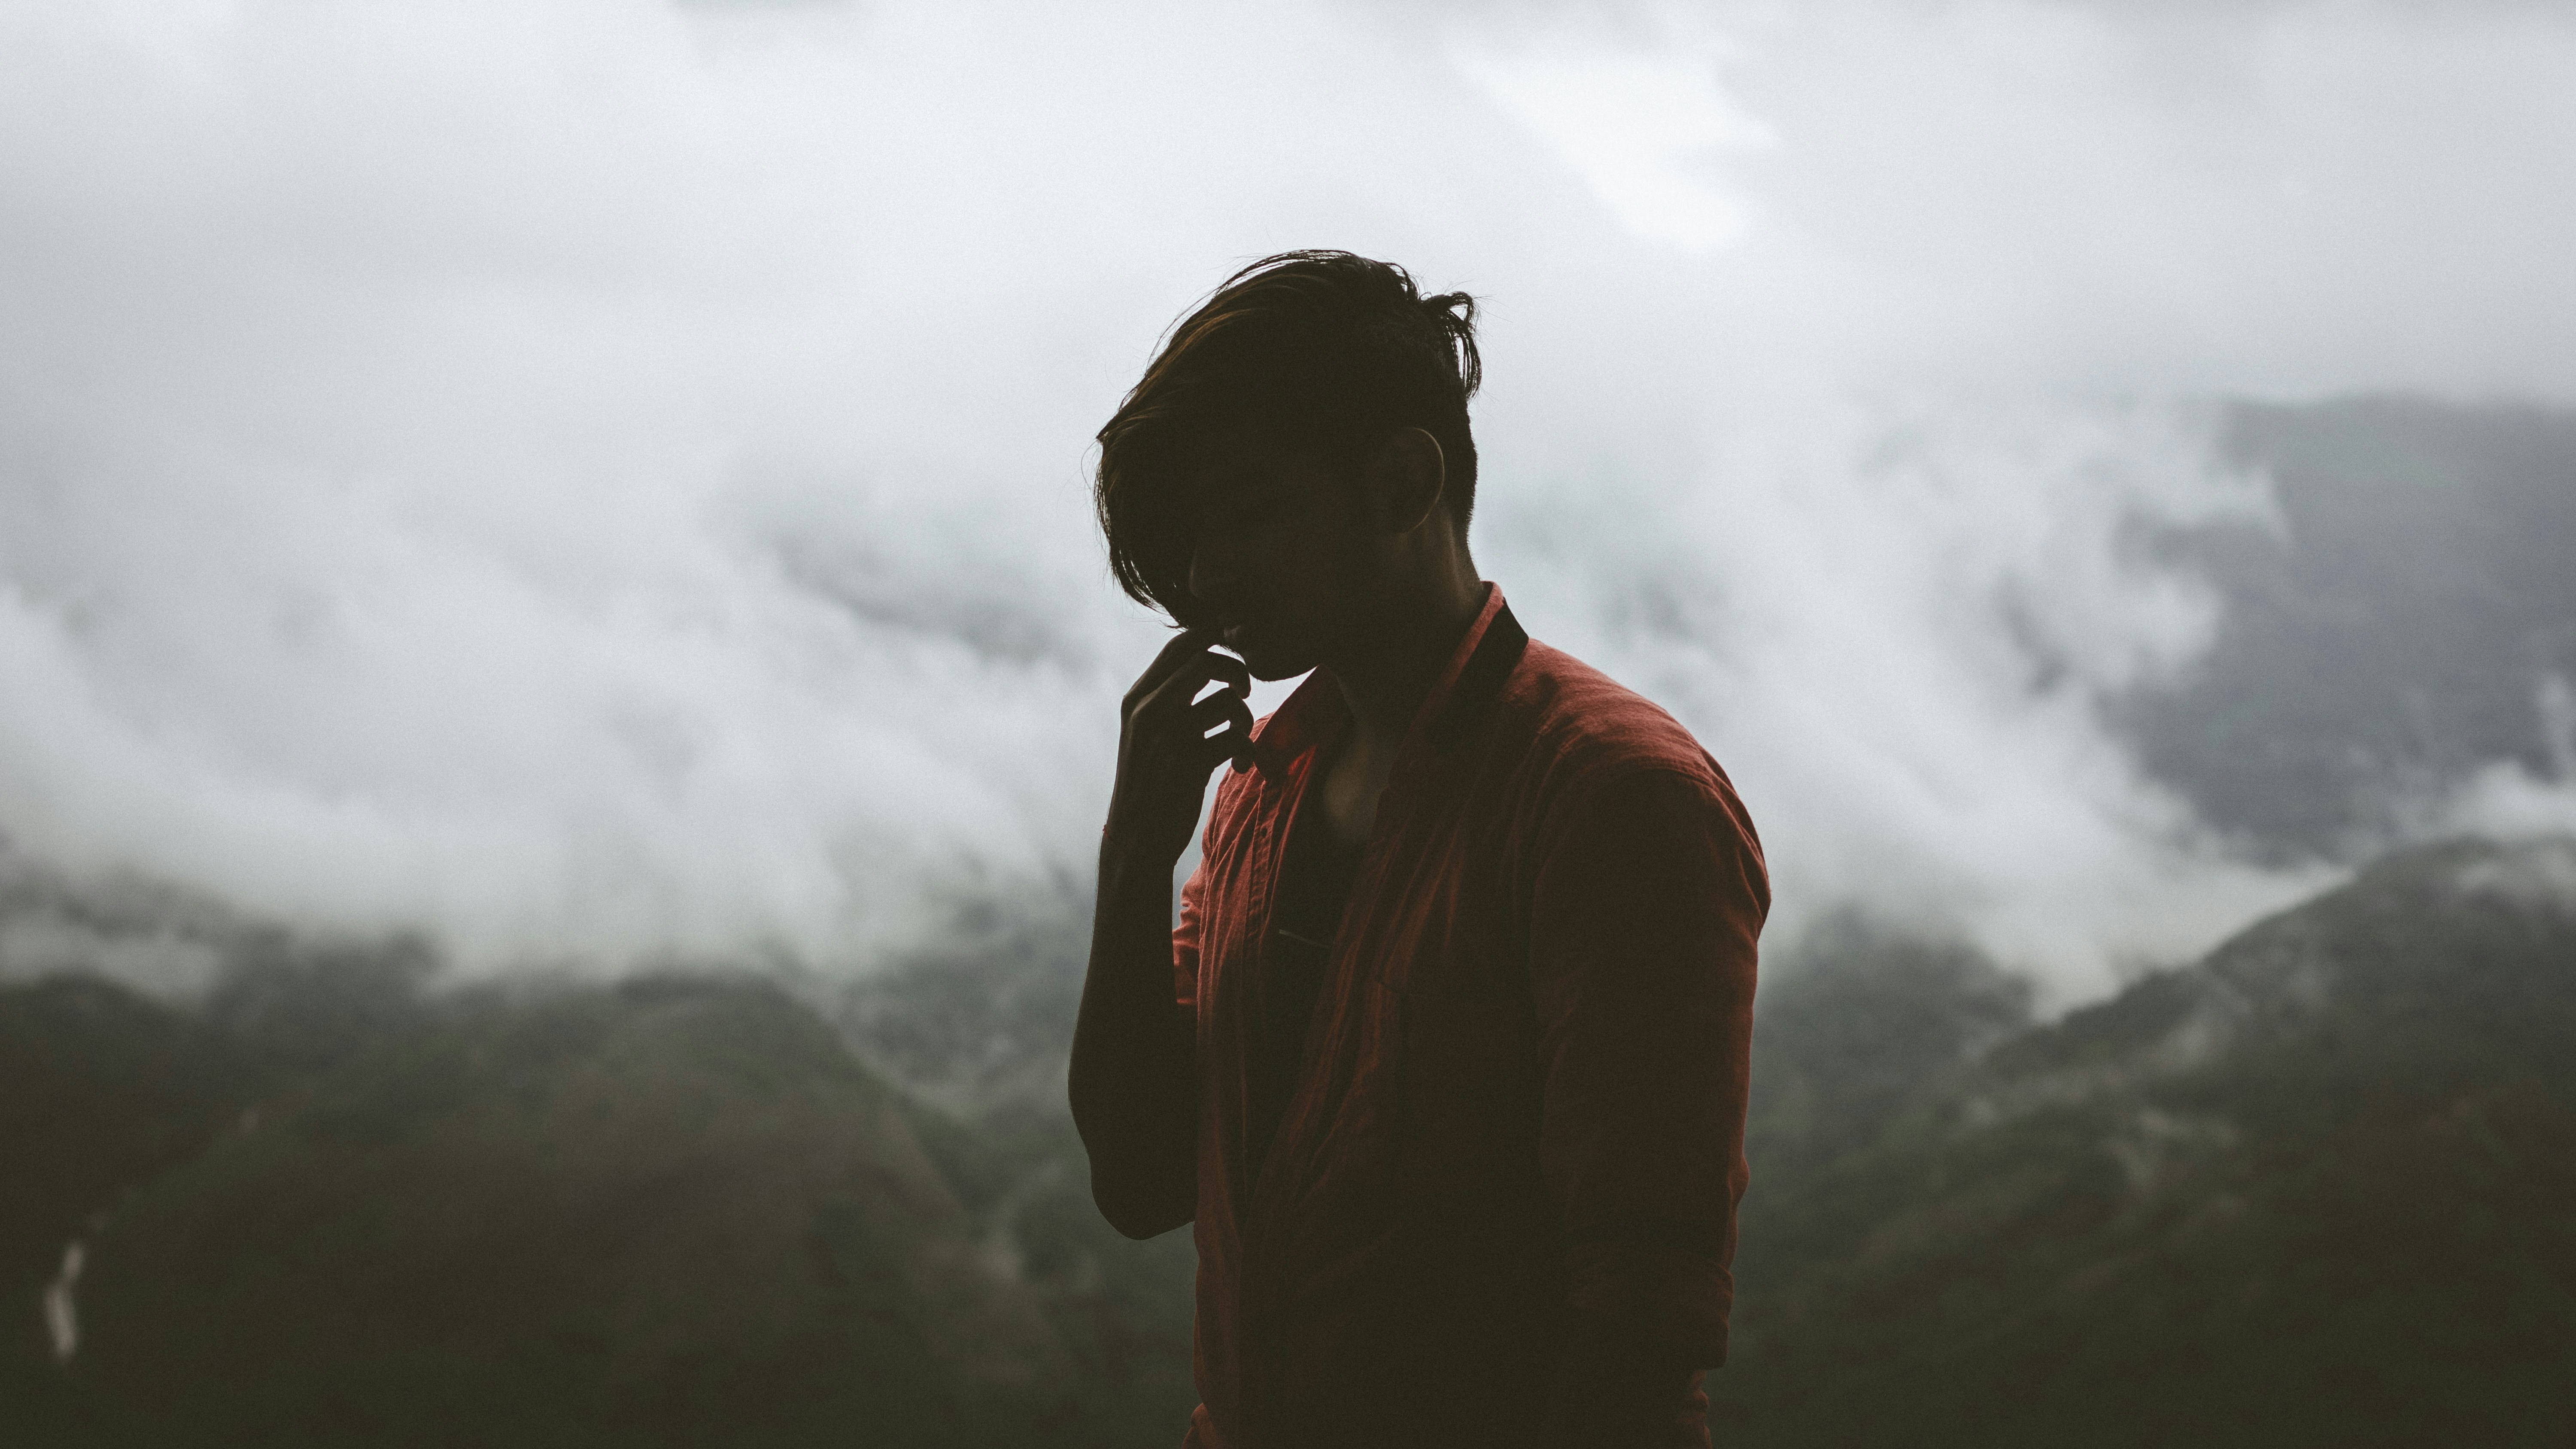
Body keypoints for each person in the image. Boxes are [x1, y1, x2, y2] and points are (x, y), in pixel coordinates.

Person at [1069, 251, 1768, 1449]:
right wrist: (1136, 851)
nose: (1205, 576)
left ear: (1404, 482)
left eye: (1250, 512)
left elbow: (1641, 1320)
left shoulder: (1611, 799)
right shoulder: (1259, 794)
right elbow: (1142, 1182)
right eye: (1195, 534)